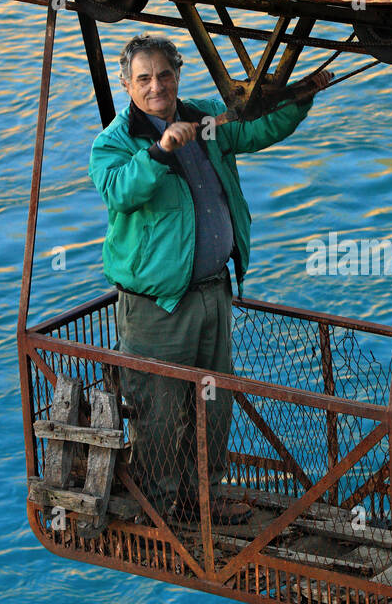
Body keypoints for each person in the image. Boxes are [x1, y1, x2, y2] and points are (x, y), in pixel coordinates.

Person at [88, 34, 330, 525]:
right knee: (157, 408)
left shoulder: (205, 119)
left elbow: (255, 127)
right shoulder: (113, 142)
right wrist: (160, 151)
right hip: (158, 305)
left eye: (165, 74)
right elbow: (119, 191)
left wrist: (299, 98)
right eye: (144, 78)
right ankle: (157, 507)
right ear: (126, 83)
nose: (156, 85)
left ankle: (204, 495)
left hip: (214, 291)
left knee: (212, 402)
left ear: (178, 75)